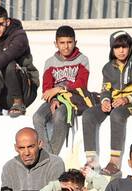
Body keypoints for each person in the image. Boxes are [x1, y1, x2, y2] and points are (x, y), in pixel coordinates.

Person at [81, 32, 132, 176]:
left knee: (117, 114)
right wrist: (105, 101)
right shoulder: (107, 68)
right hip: (114, 103)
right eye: (117, 47)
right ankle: (91, 161)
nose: (121, 50)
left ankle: (114, 162)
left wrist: (127, 99)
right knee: (88, 114)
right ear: (111, 49)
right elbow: (105, 89)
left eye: (124, 46)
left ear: (130, 47)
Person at [32, 26, 93, 156]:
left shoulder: (82, 60)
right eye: (62, 43)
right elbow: (47, 87)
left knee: (59, 115)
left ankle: (50, 157)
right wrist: (53, 99)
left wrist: (60, 89)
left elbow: (81, 84)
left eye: (69, 42)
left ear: (75, 42)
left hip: (72, 99)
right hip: (54, 99)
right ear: (56, 44)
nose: (66, 46)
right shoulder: (50, 62)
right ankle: (48, 154)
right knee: (37, 117)